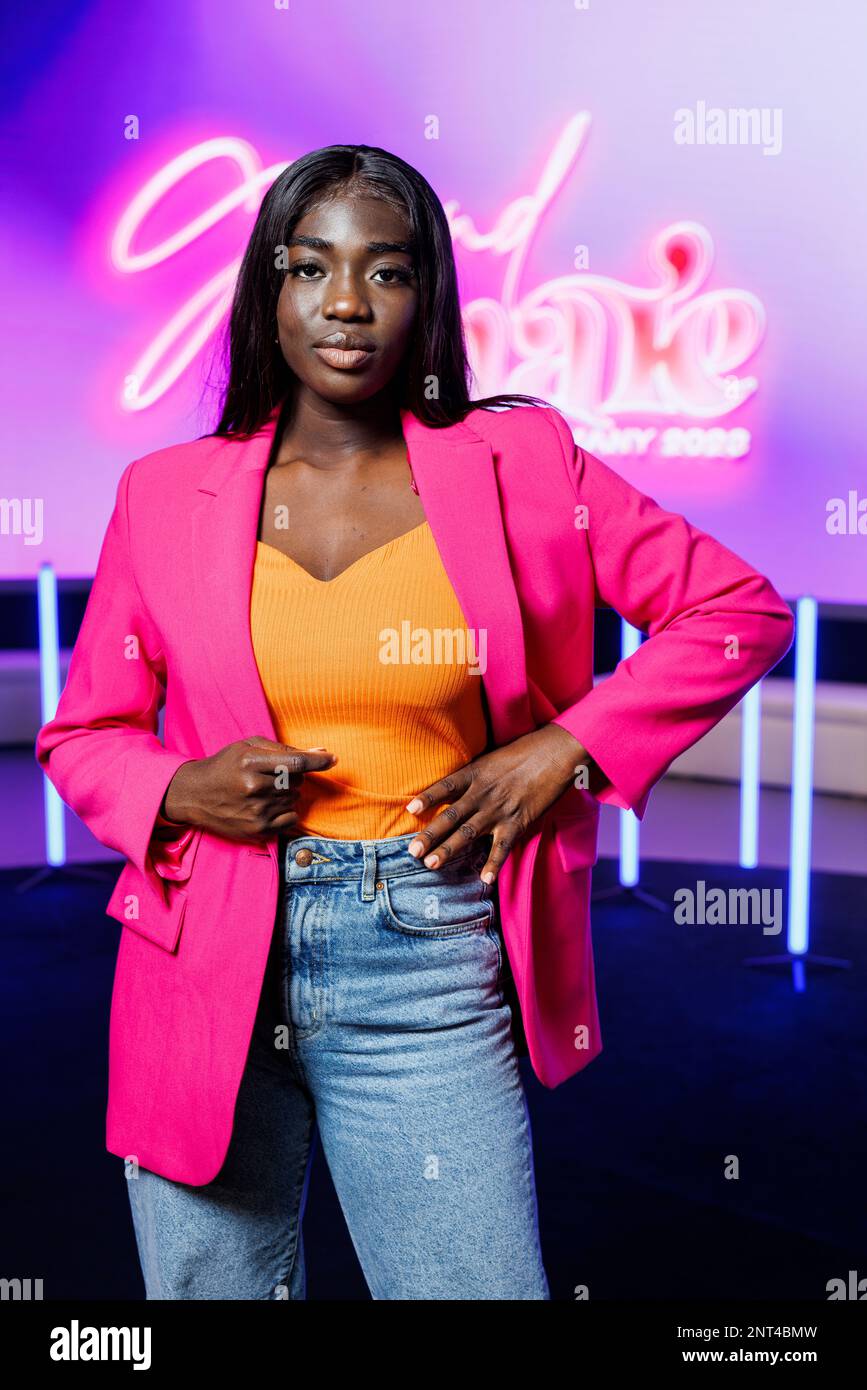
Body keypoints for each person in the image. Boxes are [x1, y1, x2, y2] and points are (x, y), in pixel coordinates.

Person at [35, 143, 794, 1300]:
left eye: (386, 272)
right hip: (201, 961)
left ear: (427, 297)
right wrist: (182, 791)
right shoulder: (160, 495)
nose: (347, 303)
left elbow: (737, 611)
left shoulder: (523, 464)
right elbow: (83, 735)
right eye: (311, 268)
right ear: (267, 291)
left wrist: (563, 749)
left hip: (425, 951)